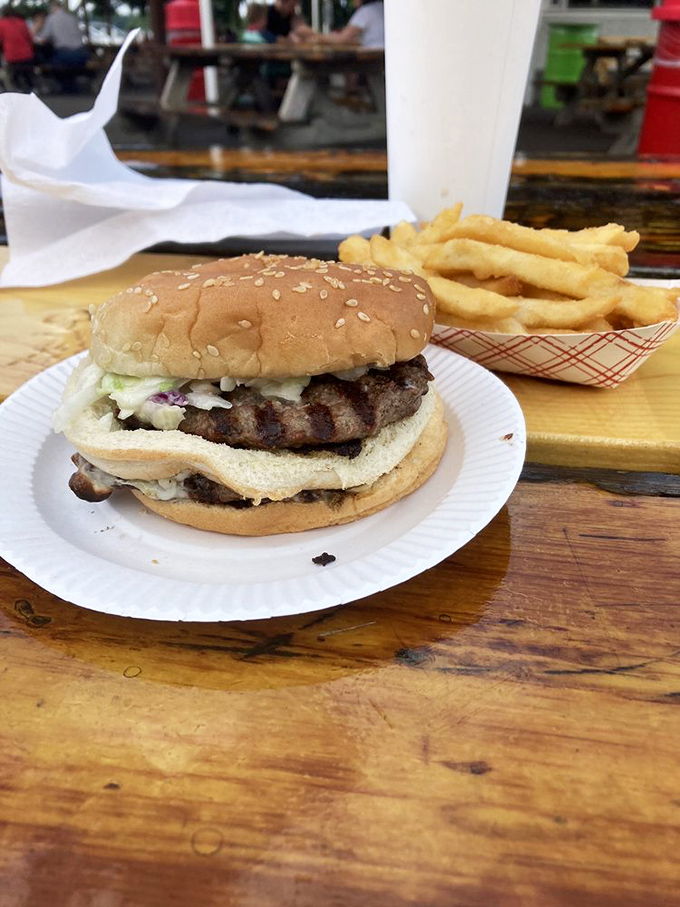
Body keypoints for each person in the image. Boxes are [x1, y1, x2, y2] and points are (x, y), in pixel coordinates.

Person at [37, 0, 88, 92]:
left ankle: (65, 87)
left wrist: (37, 29)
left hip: (65, 54)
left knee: (48, 62)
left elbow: (42, 39)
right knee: (68, 65)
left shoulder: (51, 18)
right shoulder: (72, 18)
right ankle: (72, 86)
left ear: (53, 7)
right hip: (82, 53)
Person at [297, 0, 384, 48]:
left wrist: (313, 34)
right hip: (384, 56)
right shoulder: (382, 7)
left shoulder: (366, 11)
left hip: (375, 57)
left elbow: (341, 39)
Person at [0, 7, 35, 92]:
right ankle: (31, 88)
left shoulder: (1, 24)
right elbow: (29, 38)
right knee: (26, 73)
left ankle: (16, 88)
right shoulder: (21, 22)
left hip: (12, 56)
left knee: (13, 73)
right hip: (27, 55)